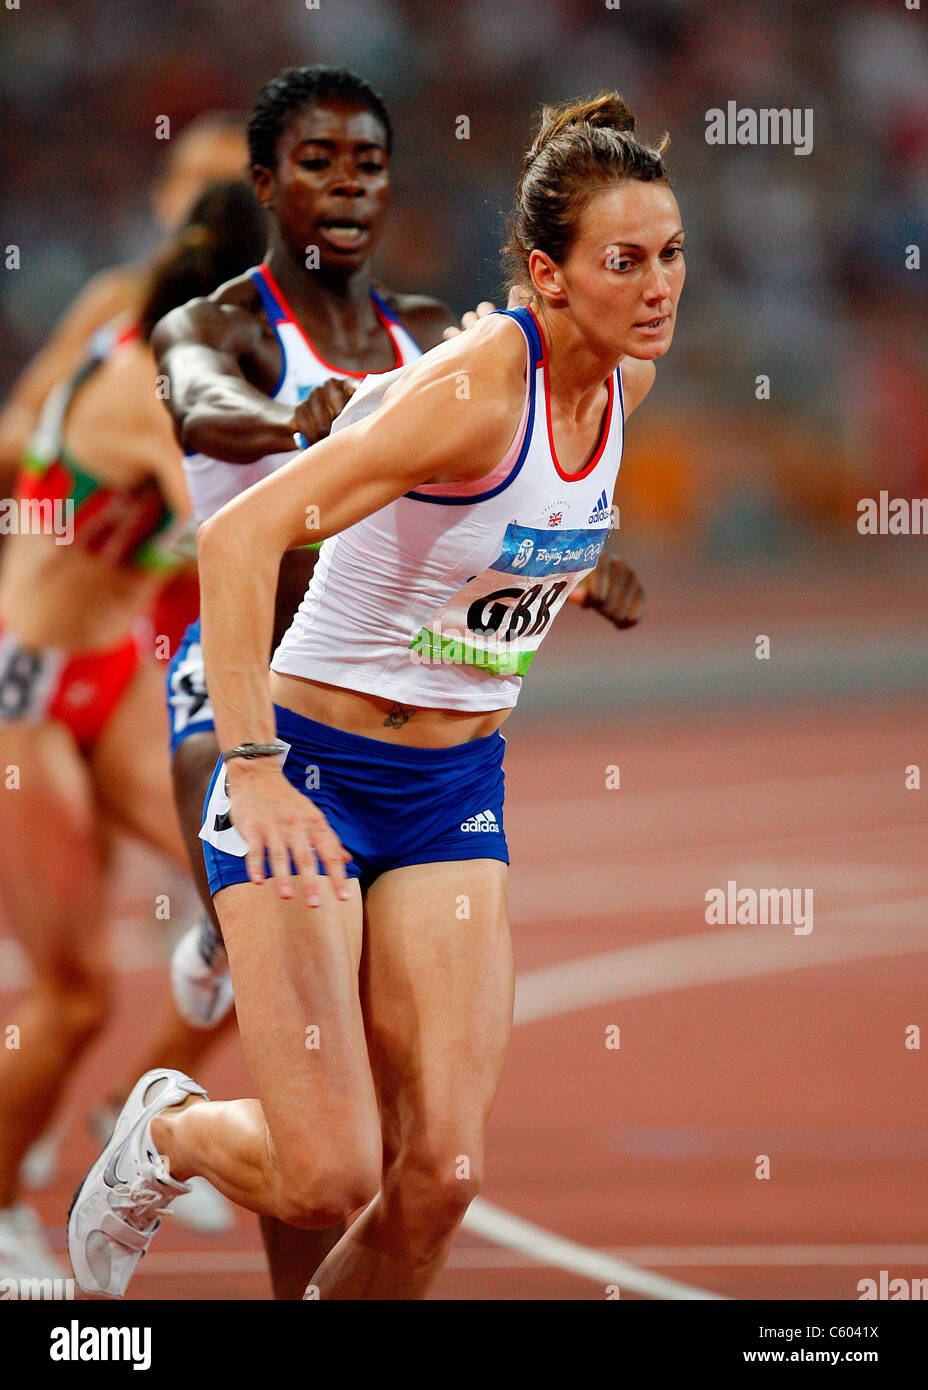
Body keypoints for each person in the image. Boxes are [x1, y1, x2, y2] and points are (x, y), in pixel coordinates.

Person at [69, 90, 676, 1301]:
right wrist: (250, 768)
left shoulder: (621, 387)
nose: (658, 285)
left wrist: (568, 576)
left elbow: (490, 551)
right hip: (308, 769)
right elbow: (241, 539)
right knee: (327, 1176)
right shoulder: (472, 390)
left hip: (452, 788)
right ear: (546, 278)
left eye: (669, 255)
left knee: (440, 1172)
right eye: (623, 261)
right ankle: (171, 1130)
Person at [153, 65, 487, 1297]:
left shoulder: (432, 334)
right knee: (318, 1065)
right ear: (264, 183)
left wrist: (585, 553)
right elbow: (206, 412)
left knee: (405, 1122)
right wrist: (311, 425)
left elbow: (490, 479)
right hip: (237, 701)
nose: (347, 187)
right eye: (317, 162)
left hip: (383, 717)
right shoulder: (215, 326)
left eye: (367, 164)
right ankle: (225, 927)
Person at [0, 182, 267, 1282]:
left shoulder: (169, 347)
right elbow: (243, 523)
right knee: (75, 993)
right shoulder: (148, 386)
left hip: (106, 673)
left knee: (259, 893)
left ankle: (125, 1120)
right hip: (23, 691)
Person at [0, 114, 247, 496]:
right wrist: (85, 449)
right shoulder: (117, 299)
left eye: (238, 187)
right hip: (78, 532)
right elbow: (17, 423)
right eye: (203, 181)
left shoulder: (274, 323)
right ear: (165, 196)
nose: (217, 203)